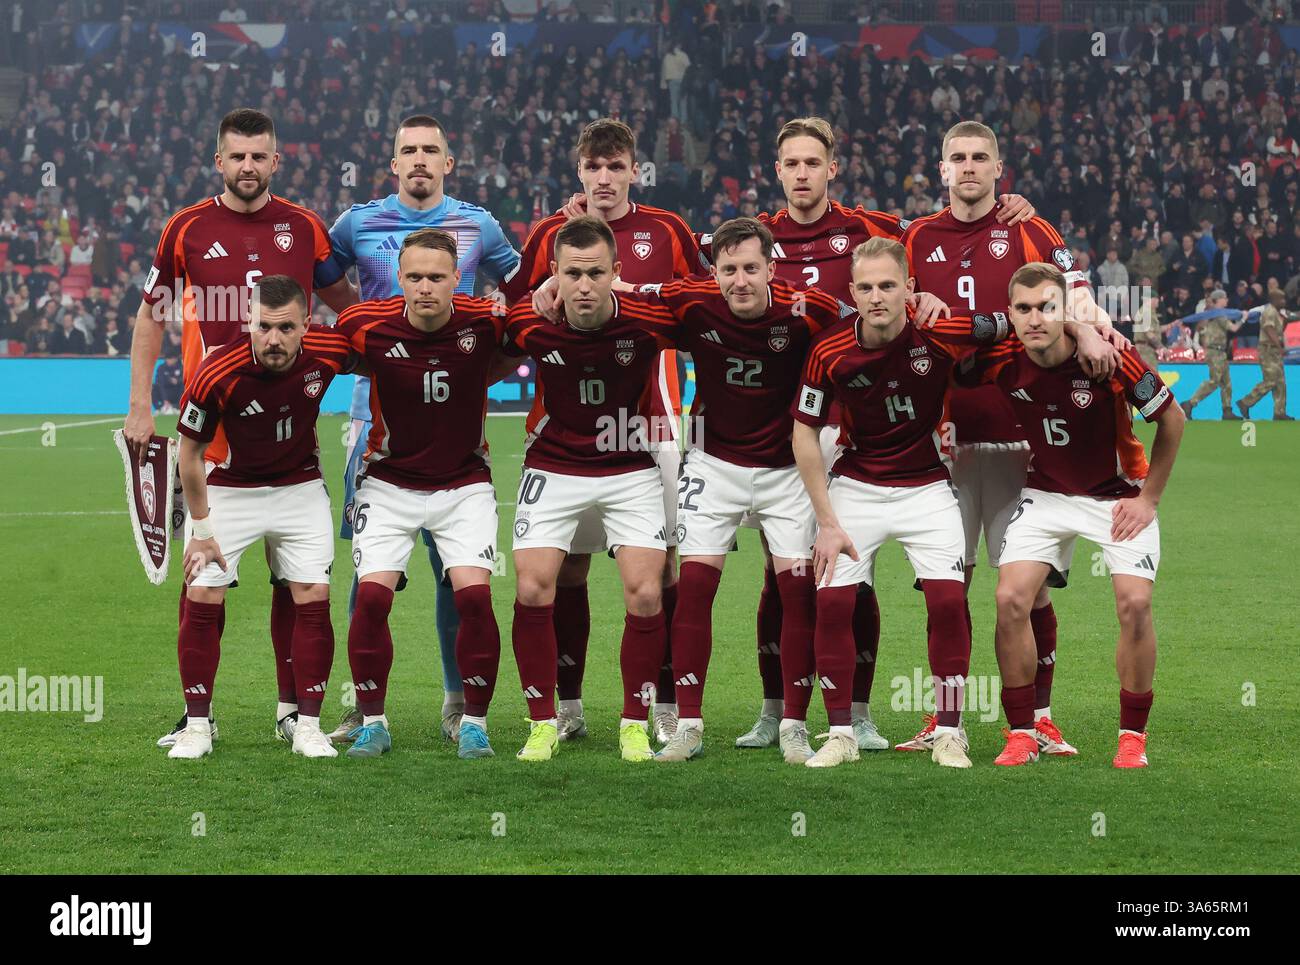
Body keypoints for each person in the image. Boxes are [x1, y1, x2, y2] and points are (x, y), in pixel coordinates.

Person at [125, 108, 357, 749]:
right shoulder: (186, 229)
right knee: (205, 579)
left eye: (260, 156)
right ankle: (198, 717)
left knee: (298, 581)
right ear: (219, 161)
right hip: (214, 439)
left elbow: (349, 311)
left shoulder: (305, 228)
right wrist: (140, 403)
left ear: (275, 162)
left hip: (290, 444)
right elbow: (151, 318)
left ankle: (293, 712)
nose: (248, 166)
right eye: (237, 156)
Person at [900, 119, 1117, 757]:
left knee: (1031, 589)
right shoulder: (913, 236)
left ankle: (1039, 717)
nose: (968, 168)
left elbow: (1078, 300)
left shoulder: (1030, 229)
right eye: (957, 158)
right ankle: (946, 723)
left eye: (980, 158)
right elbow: (885, 299)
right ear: (941, 169)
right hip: (942, 442)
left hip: (1026, 443)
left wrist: (1088, 330)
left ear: (1000, 168)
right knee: (949, 585)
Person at [500, 118, 707, 745]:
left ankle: (663, 702)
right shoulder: (549, 233)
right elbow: (509, 306)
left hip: (653, 427)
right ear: (580, 171)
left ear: (634, 171)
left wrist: (632, 291)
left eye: (616, 167)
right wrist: (538, 290)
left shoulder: (666, 229)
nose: (604, 179)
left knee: (659, 573)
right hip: (563, 433)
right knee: (568, 572)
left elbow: (700, 295)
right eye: (593, 167)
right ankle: (568, 704)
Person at [623, 217, 848, 763]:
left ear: (773, 268)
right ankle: (690, 725)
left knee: (797, 593)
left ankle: (793, 724)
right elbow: (624, 292)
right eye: (729, 269)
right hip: (713, 466)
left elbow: (866, 325)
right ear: (714, 271)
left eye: (751, 268)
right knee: (696, 589)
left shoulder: (807, 309)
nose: (740, 280)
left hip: (788, 471)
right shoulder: (693, 301)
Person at [326, 114, 520, 745]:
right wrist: (364, 331)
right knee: (368, 570)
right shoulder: (359, 222)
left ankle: (456, 698)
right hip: (371, 416)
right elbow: (326, 279)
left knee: (453, 569)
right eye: (407, 150)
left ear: (447, 162)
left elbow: (520, 290)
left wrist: (482, 356)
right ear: (393, 162)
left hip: (453, 413)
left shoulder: (478, 223)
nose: (418, 160)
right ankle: (363, 706)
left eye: (429, 151)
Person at [958, 262, 1185, 768]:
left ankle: (1132, 737)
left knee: (1134, 606)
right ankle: (1021, 732)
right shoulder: (1002, 356)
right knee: (1010, 598)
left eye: (1047, 307)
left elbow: (1172, 418)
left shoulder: (1109, 360)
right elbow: (944, 356)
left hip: (1116, 497)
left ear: (1065, 310)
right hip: (1046, 493)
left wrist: (1148, 499)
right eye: (1023, 308)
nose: (1035, 318)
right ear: (1010, 313)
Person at [504, 216, 676, 762]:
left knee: (647, 592)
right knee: (532, 588)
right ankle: (542, 722)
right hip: (554, 465)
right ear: (554, 273)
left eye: (596, 273)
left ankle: (633, 722)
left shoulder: (647, 321)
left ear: (616, 273)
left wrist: (643, 291)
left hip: (631, 467)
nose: (584, 285)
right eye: (572, 273)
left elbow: (705, 303)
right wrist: (531, 298)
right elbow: (485, 319)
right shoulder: (532, 323)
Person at [168, 276, 354, 760]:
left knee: (313, 593)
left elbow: (380, 350)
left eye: (286, 328)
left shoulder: (328, 351)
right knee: (203, 590)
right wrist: (202, 531)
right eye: (263, 327)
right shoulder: (217, 372)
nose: (273, 339)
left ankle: (309, 726)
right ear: (248, 322)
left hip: (300, 487)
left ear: (305, 326)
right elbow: (189, 456)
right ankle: (197, 725)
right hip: (230, 489)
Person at [1179, 289, 1246, 420]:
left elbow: (1199, 328)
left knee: (1226, 382)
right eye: (1225, 298)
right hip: (1215, 351)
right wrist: (1243, 318)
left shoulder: (1209, 314)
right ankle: (1190, 403)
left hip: (1218, 351)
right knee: (1214, 381)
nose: (1227, 300)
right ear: (1219, 299)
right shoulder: (1219, 314)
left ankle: (1227, 410)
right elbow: (1234, 328)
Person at [1237, 289, 1292, 420]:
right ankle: (1245, 402)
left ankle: (1279, 412)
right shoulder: (1269, 311)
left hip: (1274, 351)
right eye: (1281, 299)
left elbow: (1278, 330)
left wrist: (1285, 322)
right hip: (1268, 350)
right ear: (1274, 300)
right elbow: (1269, 329)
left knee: (1280, 382)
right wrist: (1280, 347)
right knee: (1271, 380)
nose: (1284, 301)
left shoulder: (1277, 313)